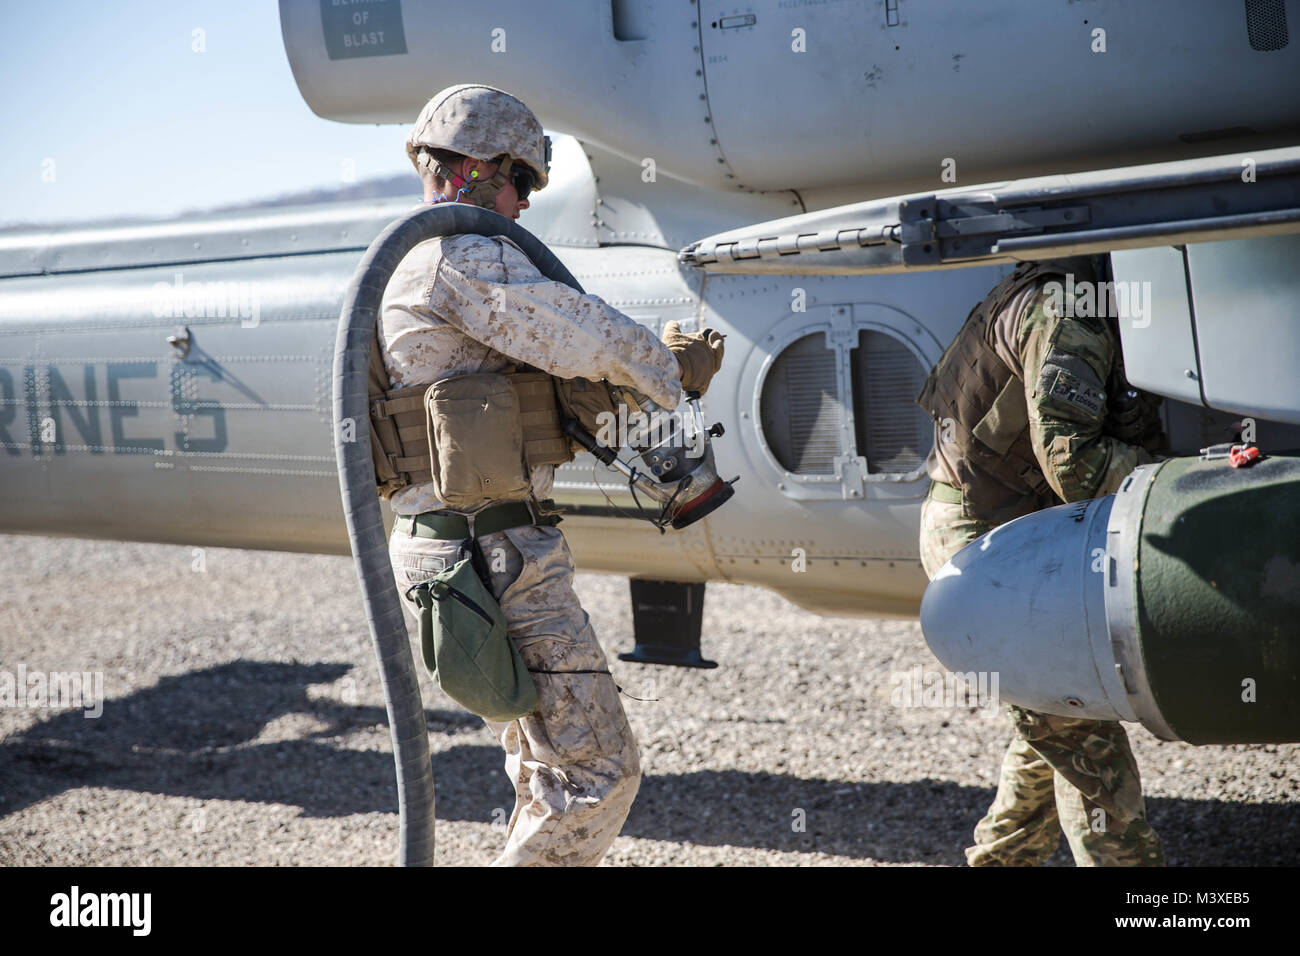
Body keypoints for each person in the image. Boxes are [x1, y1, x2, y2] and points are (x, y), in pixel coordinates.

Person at [374, 84, 723, 866]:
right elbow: (579, 333)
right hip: (488, 557)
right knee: (599, 772)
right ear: (481, 166)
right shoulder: (458, 256)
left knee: (546, 770)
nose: (527, 205)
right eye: (522, 181)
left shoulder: (428, 258)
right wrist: (671, 370)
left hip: (469, 552)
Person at [916, 256, 1167, 867]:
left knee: (1050, 728)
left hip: (1015, 534)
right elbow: (1074, 465)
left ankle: (1001, 861)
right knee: (1092, 759)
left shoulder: (1067, 292)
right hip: (989, 547)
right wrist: (1175, 482)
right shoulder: (1068, 308)